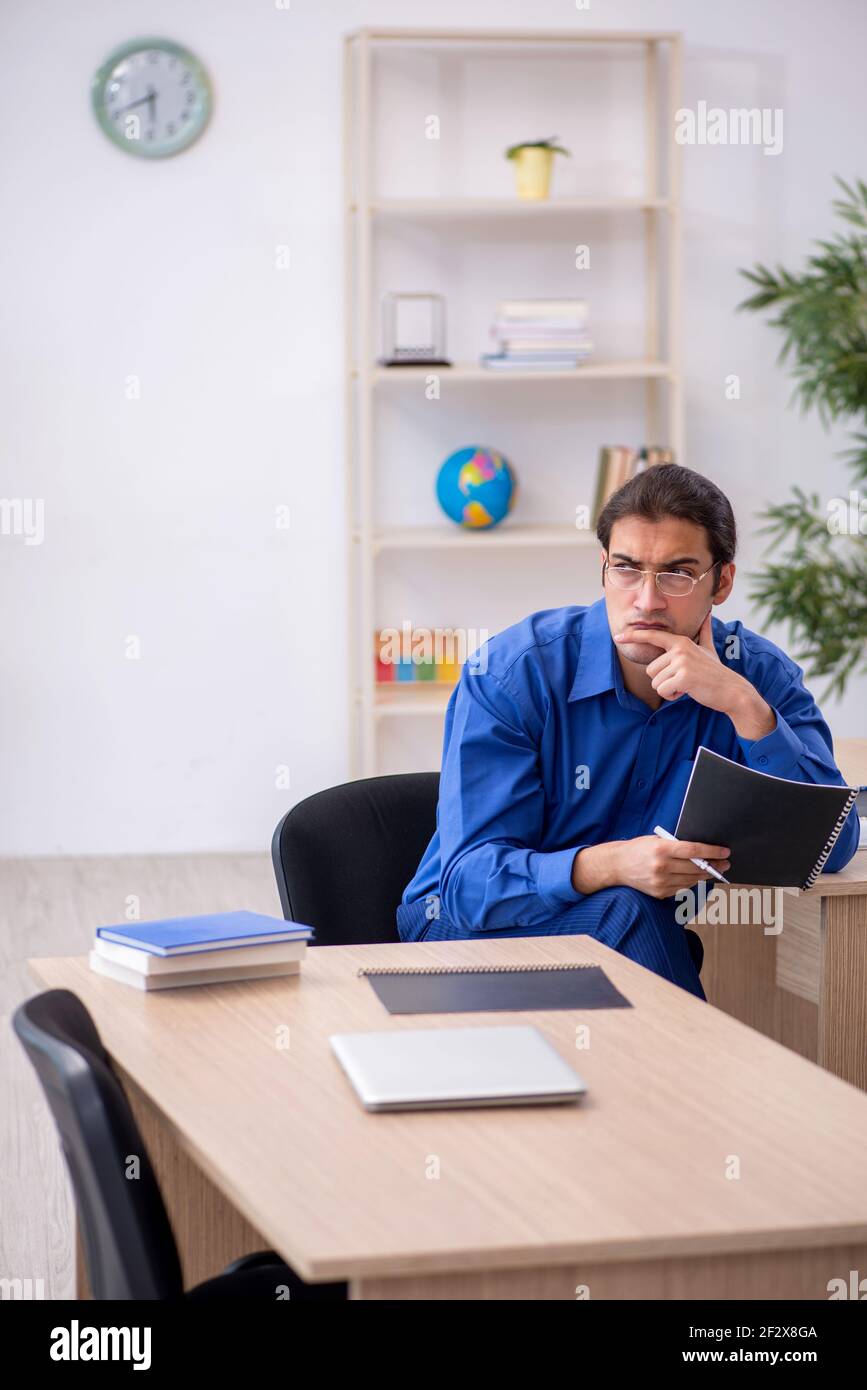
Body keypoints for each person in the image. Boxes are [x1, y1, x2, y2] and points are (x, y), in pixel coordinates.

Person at [397, 465, 859, 1000]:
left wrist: (744, 708)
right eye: (627, 569)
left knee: (645, 923)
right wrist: (614, 864)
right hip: (465, 934)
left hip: (635, 935)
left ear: (723, 582)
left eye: (677, 573)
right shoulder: (514, 674)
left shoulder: (755, 675)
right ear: (603, 569)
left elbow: (833, 845)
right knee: (631, 911)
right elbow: (467, 888)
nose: (647, 600)